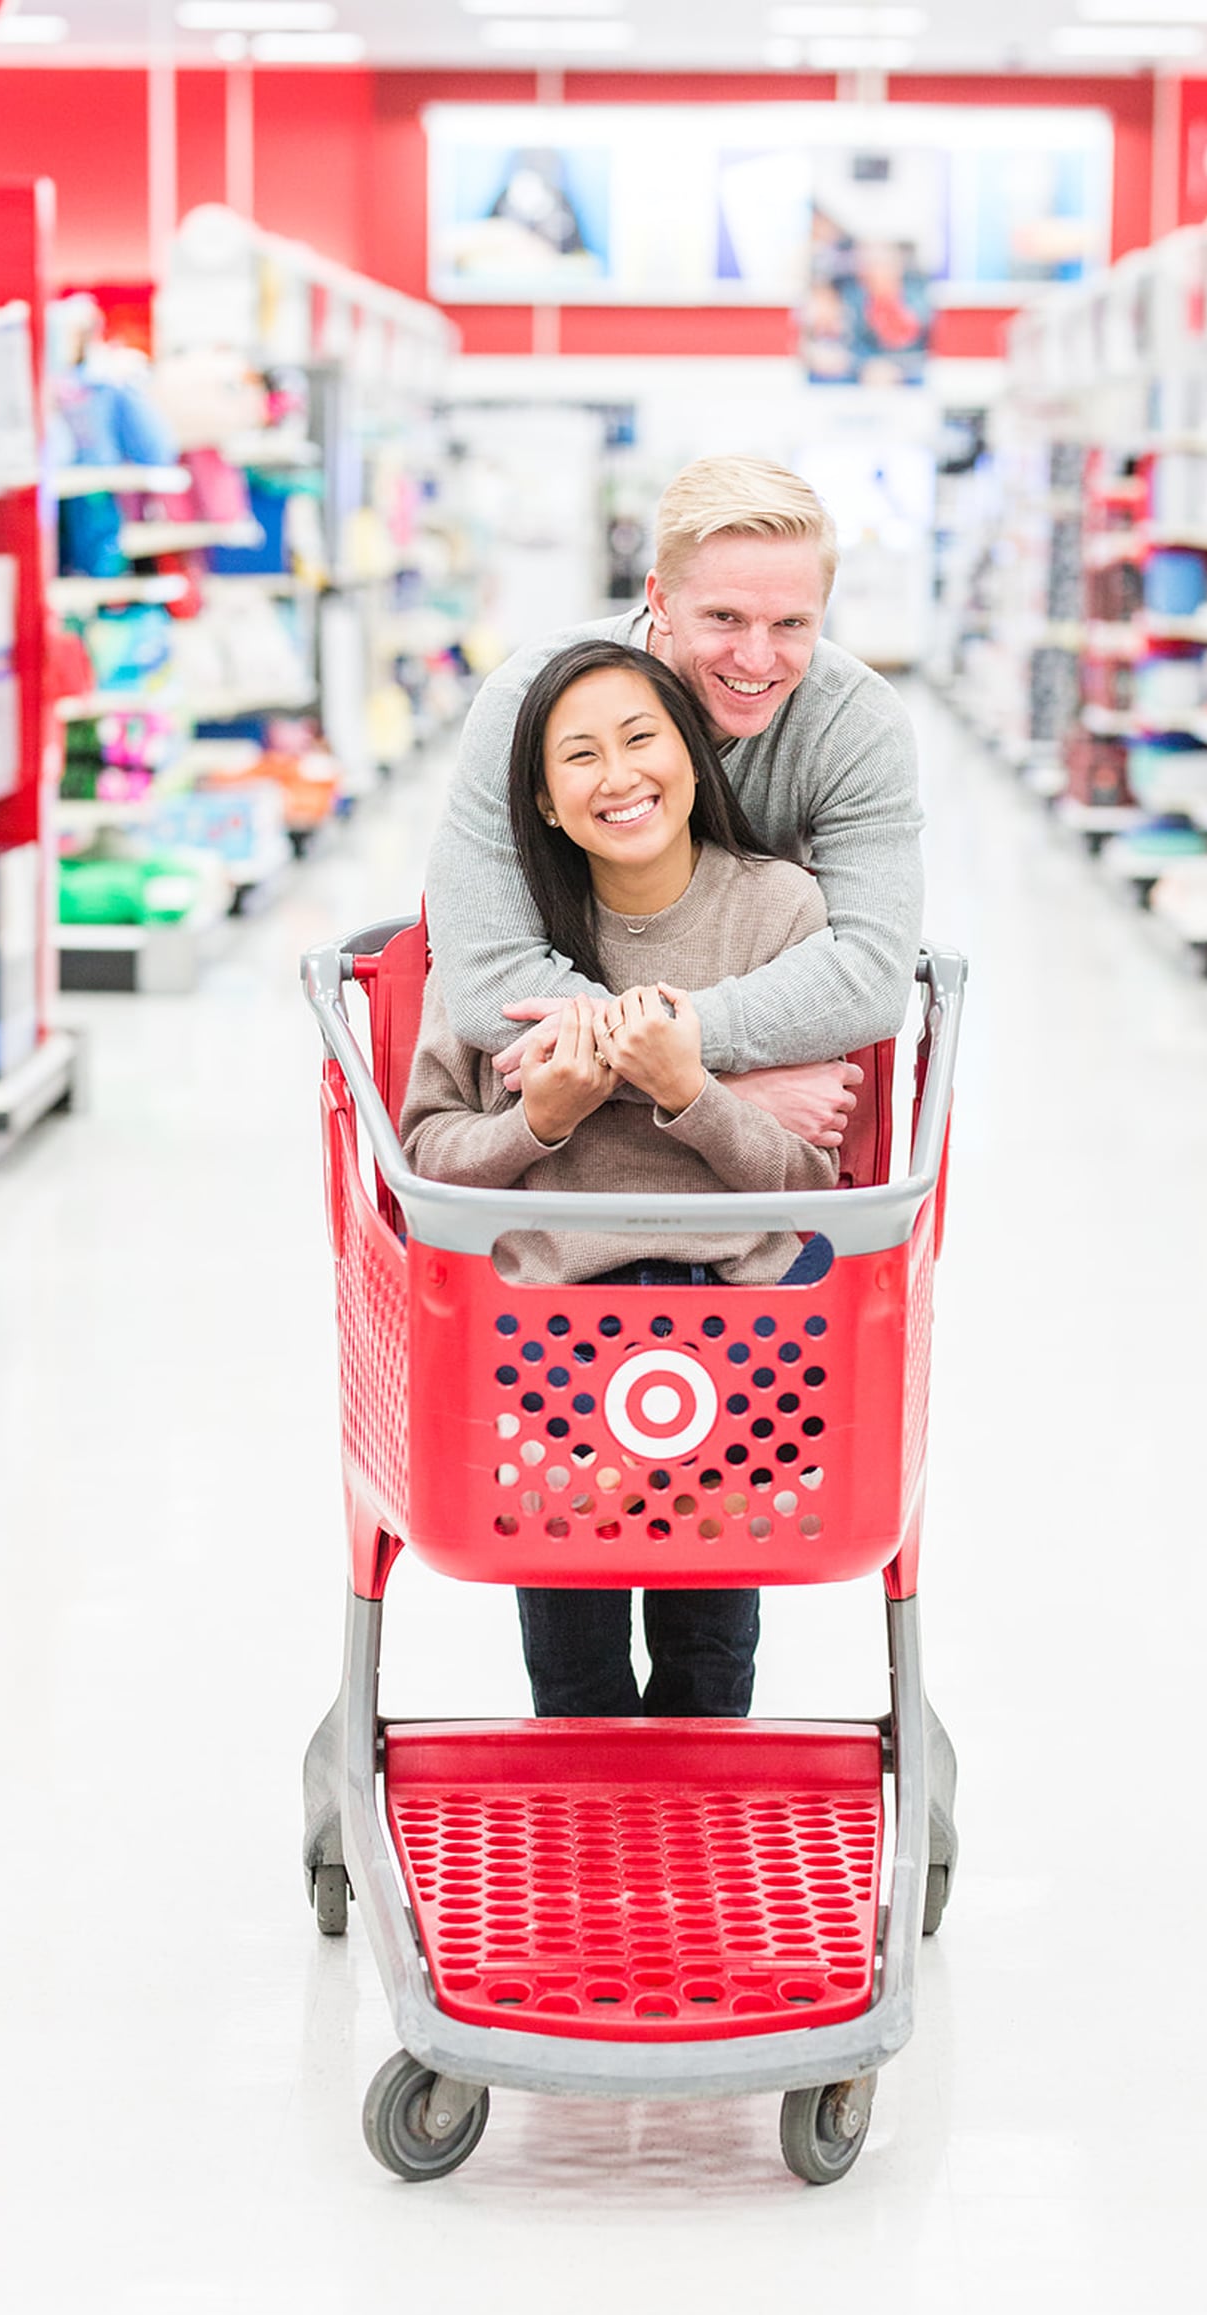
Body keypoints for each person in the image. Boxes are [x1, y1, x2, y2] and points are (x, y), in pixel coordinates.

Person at [401, 639, 838, 1720]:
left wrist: (697, 1095)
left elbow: (811, 1174)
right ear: (544, 804)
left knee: (709, 1653)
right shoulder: (497, 934)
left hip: (738, 1327)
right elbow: (427, 1155)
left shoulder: (779, 912)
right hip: (547, 1325)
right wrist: (537, 1123)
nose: (619, 774)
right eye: (578, 756)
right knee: (575, 1666)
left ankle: (688, 1841)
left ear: (692, 754)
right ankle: (588, 1841)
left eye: (641, 737)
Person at [422, 453, 924, 1153]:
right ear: (659, 598)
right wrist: (703, 1092)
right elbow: (487, 981)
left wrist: (681, 1050)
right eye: (724, 617)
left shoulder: (855, 726)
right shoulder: (527, 707)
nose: (756, 658)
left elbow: (869, 974)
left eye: (791, 625)